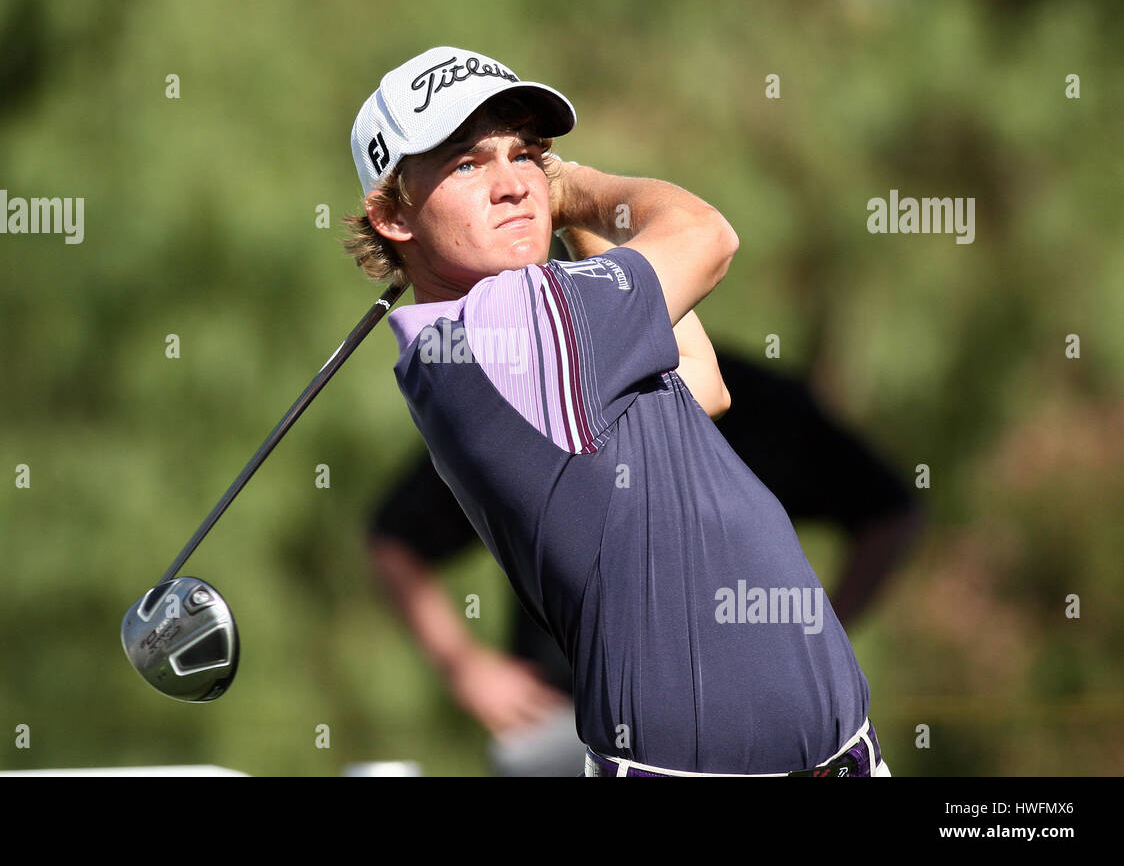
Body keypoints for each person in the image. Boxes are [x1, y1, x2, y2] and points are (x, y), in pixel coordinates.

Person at [344, 45, 890, 776]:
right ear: (391, 215)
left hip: (840, 750)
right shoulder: (504, 325)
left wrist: (563, 221)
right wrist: (575, 190)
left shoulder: (548, 338)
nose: (513, 185)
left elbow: (703, 381)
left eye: (527, 153)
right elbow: (706, 235)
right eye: (468, 164)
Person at [366, 341, 925, 775]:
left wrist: (819, 632)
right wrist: (462, 662)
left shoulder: (763, 405)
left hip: (749, 724)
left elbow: (889, 511)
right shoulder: (535, 396)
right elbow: (397, 538)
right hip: (569, 718)